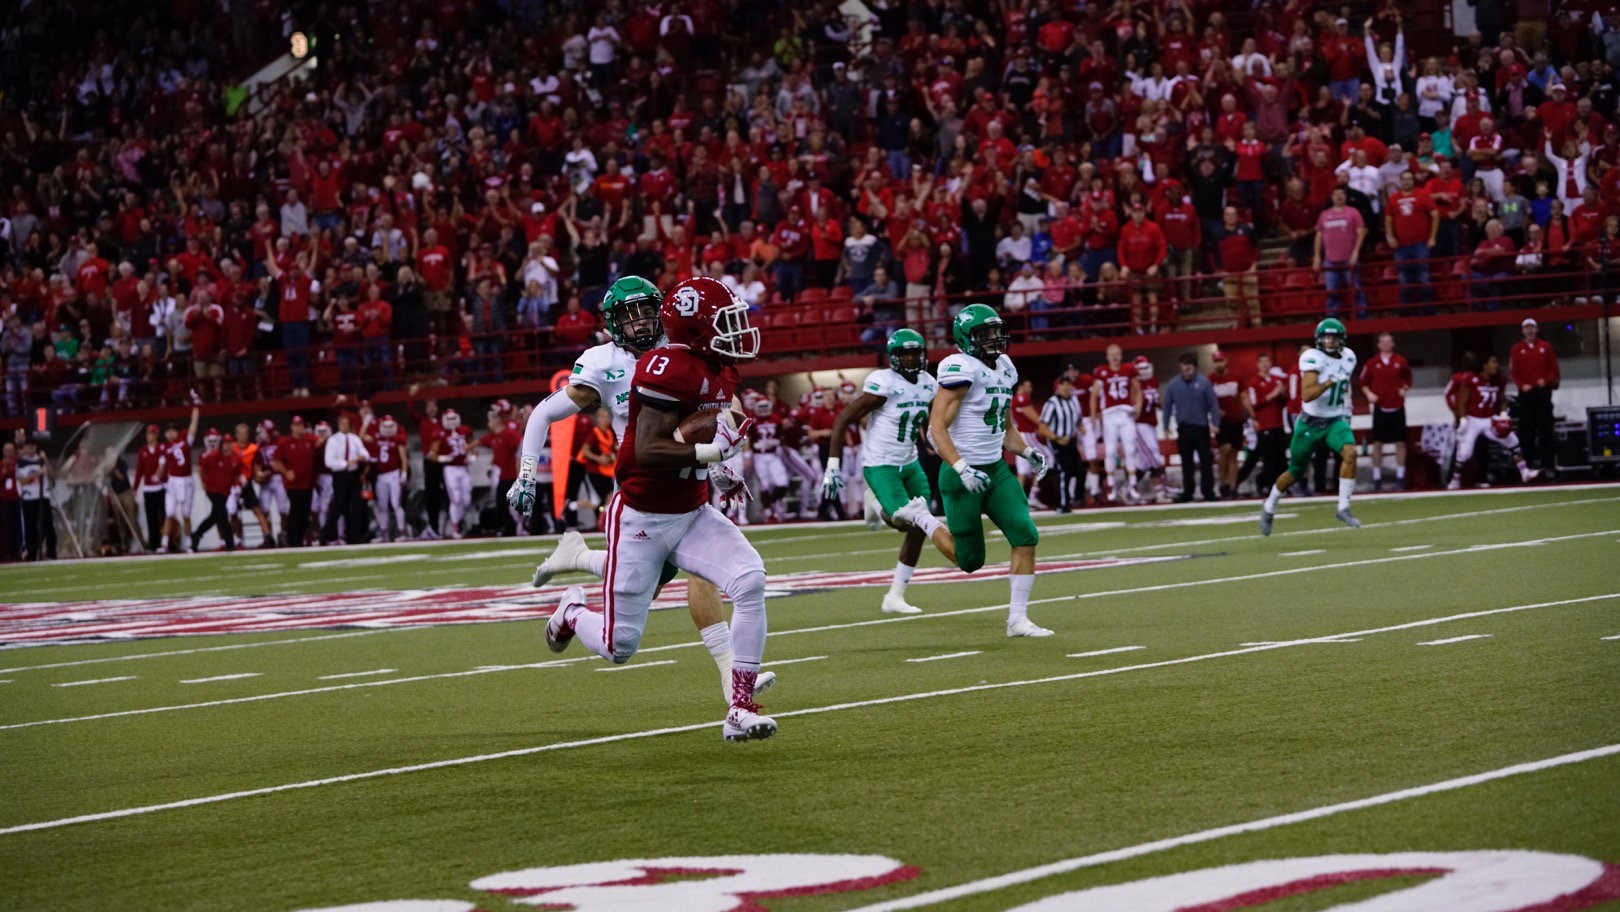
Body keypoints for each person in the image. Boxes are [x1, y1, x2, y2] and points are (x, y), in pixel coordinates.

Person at [520, 276, 775, 706]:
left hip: (688, 479)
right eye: (627, 314)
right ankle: (574, 595)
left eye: (645, 310)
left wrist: (722, 465)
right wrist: (527, 473)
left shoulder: (689, 349)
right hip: (641, 489)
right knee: (625, 633)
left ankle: (734, 682)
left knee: (709, 574)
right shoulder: (603, 363)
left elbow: (723, 412)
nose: (639, 322)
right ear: (611, 323)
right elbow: (545, 413)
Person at [894, 304, 1052, 638]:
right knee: (969, 560)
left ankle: (1017, 620)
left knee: (1026, 535)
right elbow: (937, 428)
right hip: (960, 473)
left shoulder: (1005, 366)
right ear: (967, 339)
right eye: (986, 334)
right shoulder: (959, 367)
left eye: (996, 331)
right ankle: (923, 518)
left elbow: (1005, 424)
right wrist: (962, 467)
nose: (995, 338)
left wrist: (1026, 450)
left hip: (995, 469)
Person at [822, 329, 953, 613]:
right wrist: (832, 466)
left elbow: (930, 422)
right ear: (893, 357)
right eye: (904, 354)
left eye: (914, 353)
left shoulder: (929, 384)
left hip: (910, 460)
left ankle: (895, 595)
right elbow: (843, 418)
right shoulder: (884, 383)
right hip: (880, 462)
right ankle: (876, 503)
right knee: (903, 521)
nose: (910, 359)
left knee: (920, 524)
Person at [1259, 319, 1362, 536]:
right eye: (1325, 337)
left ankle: (1343, 507)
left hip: (1334, 419)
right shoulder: (1313, 358)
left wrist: (1348, 409)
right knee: (1296, 471)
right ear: (1318, 339)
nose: (1329, 341)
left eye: (1333, 337)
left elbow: (1345, 389)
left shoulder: (1349, 357)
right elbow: (1307, 394)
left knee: (1350, 453)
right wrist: (1328, 382)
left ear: (1341, 339)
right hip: (1311, 421)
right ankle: (1269, 506)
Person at [1446, 353, 1540, 488]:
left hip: (1489, 419)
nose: (1496, 365)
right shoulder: (1471, 379)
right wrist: (1462, 419)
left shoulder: (1498, 379)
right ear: (1484, 365)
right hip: (1473, 419)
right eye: (1493, 362)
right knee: (1465, 453)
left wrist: (1503, 413)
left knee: (1512, 440)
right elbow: (1462, 401)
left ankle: (1525, 471)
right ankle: (1455, 479)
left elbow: (1501, 399)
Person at [1162, 352, 1220, 502]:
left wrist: (1215, 422)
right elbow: (1167, 405)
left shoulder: (1204, 382)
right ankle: (1188, 491)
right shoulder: (1174, 384)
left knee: (1205, 461)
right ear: (1180, 366)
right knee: (1186, 462)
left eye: (1190, 366)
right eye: (1184, 365)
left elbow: (1213, 403)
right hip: (1184, 427)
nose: (1187, 369)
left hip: (1201, 427)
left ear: (1195, 367)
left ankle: (1208, 491)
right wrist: (1166, 425)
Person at [1360, 333, 1413, 490]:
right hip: (1380, 408)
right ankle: (1377, 477)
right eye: (1383, 342)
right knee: (1377, 443)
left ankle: (1400, 476)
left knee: (1400, 442)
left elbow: (1408, 379)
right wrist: (1369, 394)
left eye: (1388, 341)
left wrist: (1404, 388)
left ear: (1393, 343)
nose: (1386, 344)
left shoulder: (1400, 361)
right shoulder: (1372, 363)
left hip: (1397, 407)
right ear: (1378, 344)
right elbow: (1363, 382)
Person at [1092, 343, 1143, 503]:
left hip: (1126, 413)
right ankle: (1111, 484)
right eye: (1112, 353)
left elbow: (1138, 390)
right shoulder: (1101, 372)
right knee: (1111, 451)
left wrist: (1138, 408)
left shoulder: (1129, 369)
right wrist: (1094, 416)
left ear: (1121, 355)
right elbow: (1094, 395)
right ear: (1107, 356)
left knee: (1130, 449)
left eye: (1118, 353)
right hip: (1109, 415)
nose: (1115, 356)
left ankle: (1133, 483)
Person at [1509, 318, 1560, 475]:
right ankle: (1528, 467)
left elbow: (1553, 368)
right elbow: (1514, 372)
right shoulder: (1517, 349)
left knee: (1546, 430)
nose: (1530, 330)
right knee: (1526, 431)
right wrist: (1521, 385)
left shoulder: (1546, 346)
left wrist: (1545, 380)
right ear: (1523, 331)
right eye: (1526, 328)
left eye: (1532, 327)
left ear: (1537, 329)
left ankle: (1549, 466)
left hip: (1542, 393)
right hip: (1526, 394)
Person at [1241, 354, 1288, 496]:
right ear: (1257, 364)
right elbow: (1255, 403)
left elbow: (1284, 402)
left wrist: (1282, 393)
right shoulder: (1254, 382)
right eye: (1262, 362)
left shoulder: (1276, 380)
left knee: (1281, 457)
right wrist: (1273, 394)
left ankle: (1281, 485)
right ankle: (1266, 483)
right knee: (1268, 458)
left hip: (1278, 423)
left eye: (1267, 361)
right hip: (1265, 425)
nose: (1265, 364)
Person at [1038, 374, 1084, 512]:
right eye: (1065, 384)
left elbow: (1078, 419)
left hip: (1070, 440)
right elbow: (1042, 427)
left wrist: (1081, 428)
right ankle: (1063, 504)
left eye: (1070, 384)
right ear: (1059, 386)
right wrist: (1057, 437)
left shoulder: (1074, 400)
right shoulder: (1052, 403)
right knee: (1064, 471)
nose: (1067, 387)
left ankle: (1077, 498)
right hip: (1057, 441)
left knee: (1079, 471)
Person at [322, 414, 369, 545]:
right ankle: (326, 535)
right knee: (339, 506)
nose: (344, 426)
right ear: (338, 425)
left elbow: (365, 453)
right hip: (340, 476)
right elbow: (328, 461)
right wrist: (345, 463)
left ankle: (354, 536)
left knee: (357, 505)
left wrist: (360, 458)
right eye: (342, 423)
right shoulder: (333, 440)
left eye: (346, 423)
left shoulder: (354, 439)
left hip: (353, 476)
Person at [273, 416, 319, 547]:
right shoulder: (284, 442)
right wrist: (286, 472)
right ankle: (292, 538)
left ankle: (299, 538)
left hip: (308, 483)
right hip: (293, 484)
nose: (298, 428)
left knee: (305, 512)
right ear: (291, 427)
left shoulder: (310, 439)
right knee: (295, 510)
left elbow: (321, 442)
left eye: (300, 425)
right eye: (296, 425)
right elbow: (276, 461)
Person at [160, 406, 201, 552]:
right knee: (169, 513)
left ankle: (188, 544)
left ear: (177, 432)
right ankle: (164, 544)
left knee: (186, 515)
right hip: (172, 482)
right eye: (168, 431)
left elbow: (193, 425)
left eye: (173, 431)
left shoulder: (185, 439)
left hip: (187, 481)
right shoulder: (164, 447)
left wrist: (196, 409)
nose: (170, 434)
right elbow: (161, 467)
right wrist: (159, 478)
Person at [191, 429, 237, 552]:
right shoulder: (213, 456)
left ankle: (196, 535)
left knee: (214, 517)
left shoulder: (234, 458)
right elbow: (202, 468)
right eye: (226, 444)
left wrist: (236, 485)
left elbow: (234, 475)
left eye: (229, 444)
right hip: (213, 490)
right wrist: (203, 482)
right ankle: (230, 543)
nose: (227, 447)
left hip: (225, 492)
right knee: (222, 515)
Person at [429, 410, 473, 539]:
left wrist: (471, 457)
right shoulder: (440, 433)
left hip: (463, 468)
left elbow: (473, 448)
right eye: (449, 419)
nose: (452, 422)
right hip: (450, 469)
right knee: (456, 499)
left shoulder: (464, 431)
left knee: (466, 499)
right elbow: (432, 455)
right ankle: (455, 526)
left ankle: (454, 522)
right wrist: (443, 458)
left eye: (454, 418)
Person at [1208, 351, 1246, 498]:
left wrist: (1249, 413)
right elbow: (1208, 400)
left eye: (1221, 361)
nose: (1219, 364)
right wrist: (1215, 411)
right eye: (1216, 361)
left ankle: (1233, 486)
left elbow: (1243, 395)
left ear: (1226, 361)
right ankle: (1223, 483)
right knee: (1225, 450)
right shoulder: (1210, 379)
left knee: (1234, 454)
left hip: (1236, 419)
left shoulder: (1236, 376)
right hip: (1221, 421)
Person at [368, 415, 410, 542]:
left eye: (390, 426)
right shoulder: (376, 438)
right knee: (382, 505)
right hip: (381, 476)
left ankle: (402, 531)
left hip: (393, 474)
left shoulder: (398, 439)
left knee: (395, 503)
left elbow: (403, 457)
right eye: (385, 426)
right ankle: (383, 533)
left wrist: (404, 472)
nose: (387, 429)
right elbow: (362, 437)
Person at [16, 436, 53, 561]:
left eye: (32, 446)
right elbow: (22, 480)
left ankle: (51, 553)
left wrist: (45, 460)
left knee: (48, 525)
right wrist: (37, 474)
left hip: (43, 496)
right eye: (28, 446)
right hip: (29, 497)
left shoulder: (41, 460)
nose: (30, 449)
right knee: (30, 527)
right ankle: (32, 553)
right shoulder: (21, 462)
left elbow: (53, 474)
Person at [134, 423, 168, 551]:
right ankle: (153, 543)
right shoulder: (143, 451)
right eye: (148, 433)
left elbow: (166, 466)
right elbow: (139, 471)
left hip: (161, 488)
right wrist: (135, 488)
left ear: (156, 435)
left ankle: (165, 542)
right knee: (151, 517)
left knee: (164, 516)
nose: (149, 436)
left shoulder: (162, 449)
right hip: (148, 489)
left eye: (151, 433)